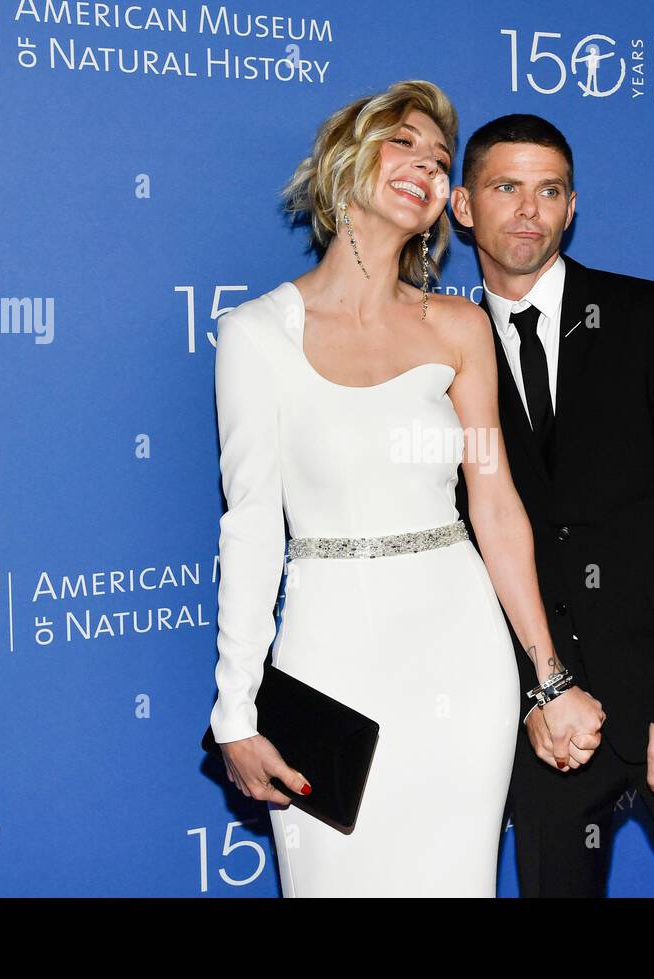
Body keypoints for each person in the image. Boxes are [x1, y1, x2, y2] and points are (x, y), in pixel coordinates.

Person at [207, 83, 605, 897]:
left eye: (438, 159)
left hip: (463, 658)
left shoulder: (458, 327)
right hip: (330, 658)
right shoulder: (256, 337)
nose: (426, 165)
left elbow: (494, 504)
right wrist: (235, 711)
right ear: (345, 163)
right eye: (404, 145)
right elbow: (249, 530)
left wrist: (547, 674)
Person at [450, 114, 654, 897]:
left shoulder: (650, 316)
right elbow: (475, 539)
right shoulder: (443, 349)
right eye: (506, 187)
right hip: (548, 727)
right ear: (463, 206)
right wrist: (541, 694)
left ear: (571, 208)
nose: (529, 210)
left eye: (550, 190)